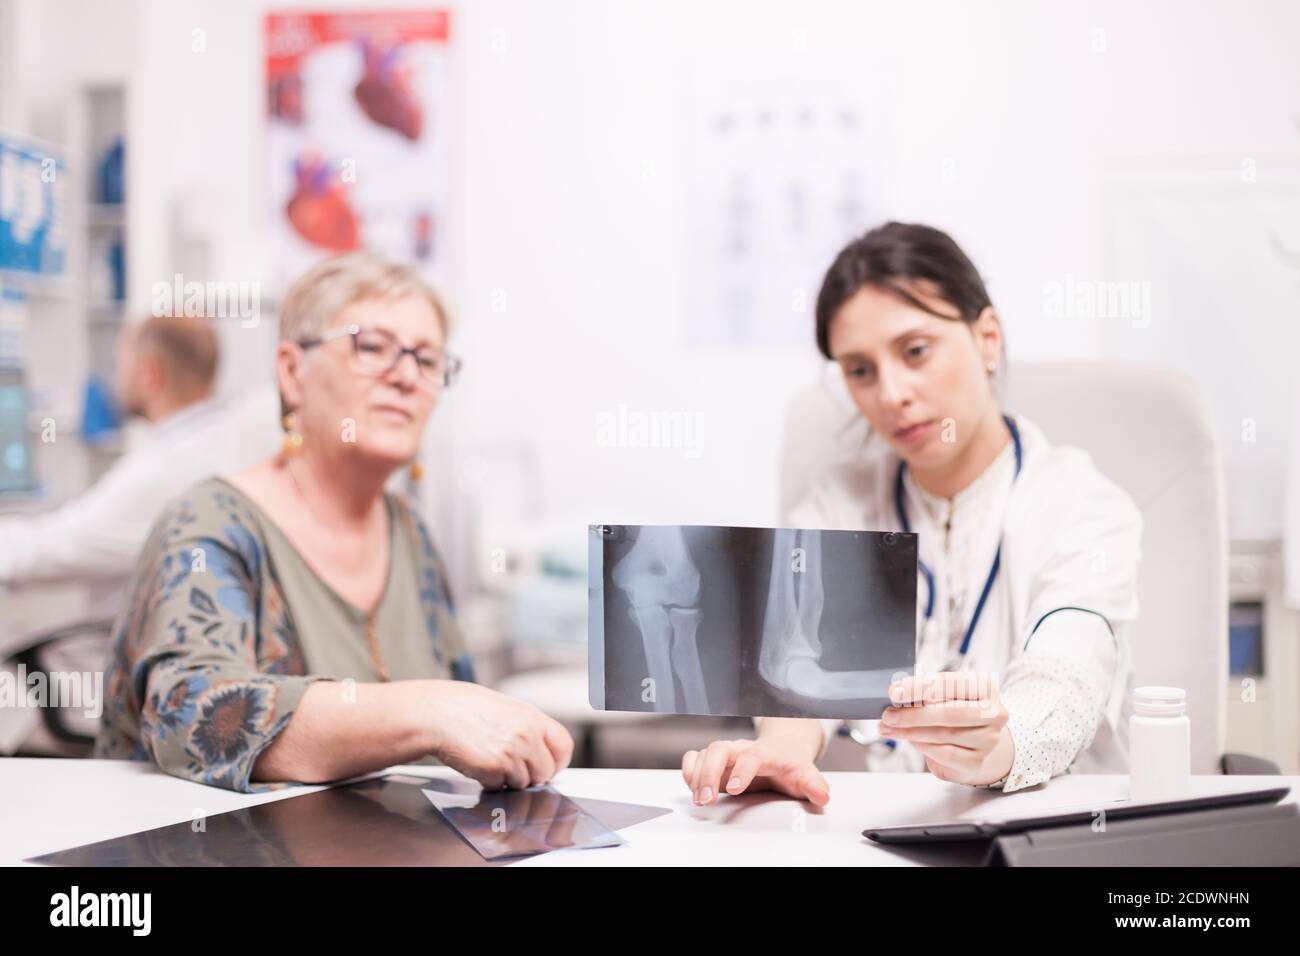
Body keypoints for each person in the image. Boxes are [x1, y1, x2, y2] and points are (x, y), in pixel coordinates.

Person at [681, 222, 1143, 806]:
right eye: (860, 370)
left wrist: (1002, 745)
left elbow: (1068, 675)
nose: (891, 393)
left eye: (916, 351)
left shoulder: (1084, 507)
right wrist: (786, 748)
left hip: (1047, 831)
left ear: (988, 338)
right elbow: (800, 678)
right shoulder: (836, 505)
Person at [95, 252, 574, 792]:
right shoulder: (209, 525)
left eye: (428, 358)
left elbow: (463, 745)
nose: (407, 376)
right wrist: (428, 710)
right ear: (292, 372)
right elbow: (195, 716)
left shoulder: (409, 533)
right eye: (371, 346)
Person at [0, 315, 278, 600]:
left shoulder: (166, 470)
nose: (116, 378)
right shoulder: (228, 435)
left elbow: (51, 549)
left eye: (120, 364)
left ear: (150, 374)